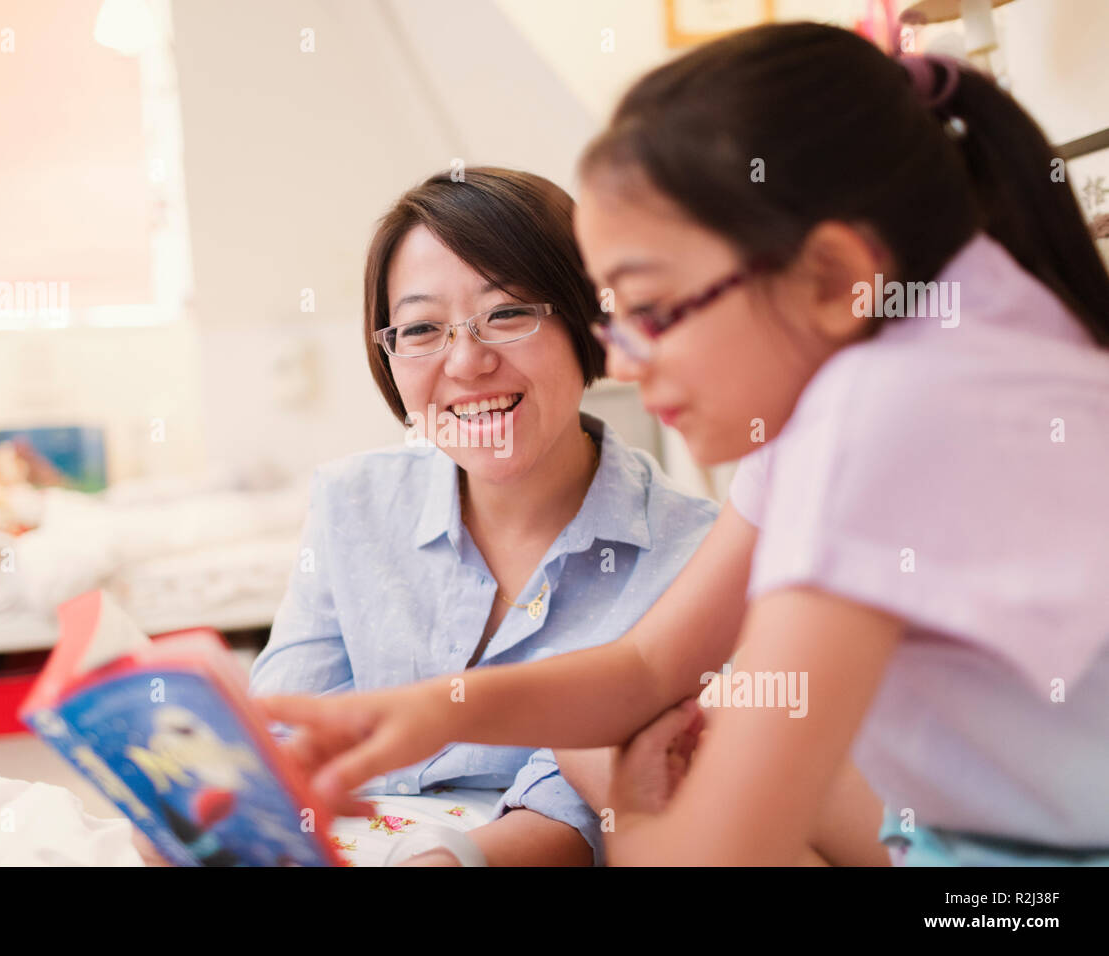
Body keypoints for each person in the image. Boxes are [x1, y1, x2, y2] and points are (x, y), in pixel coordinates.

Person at [260, 23, 1109, 866]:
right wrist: (442, 709)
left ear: (832, 278)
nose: (620, 355)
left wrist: (622, 801)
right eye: (614, 313)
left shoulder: (880, 412)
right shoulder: (929, 353)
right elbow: (645, 665)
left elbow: (716, 848)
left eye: (653, 310)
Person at [250, 167, 717, 865]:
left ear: (588, 322)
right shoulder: (352, 502)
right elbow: (283, 726)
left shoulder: (693, 551)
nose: (466, 362)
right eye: (422, 329)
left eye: (507, 314)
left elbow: (592, 794)